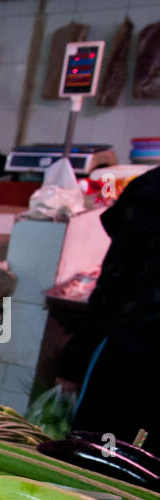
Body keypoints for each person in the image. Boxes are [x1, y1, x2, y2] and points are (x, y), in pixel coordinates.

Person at [64, 165, 160, 443]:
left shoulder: (150, 188)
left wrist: (73, 361)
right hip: (136, 341)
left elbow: (114, 284)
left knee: (100, 451)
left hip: (135, 348)